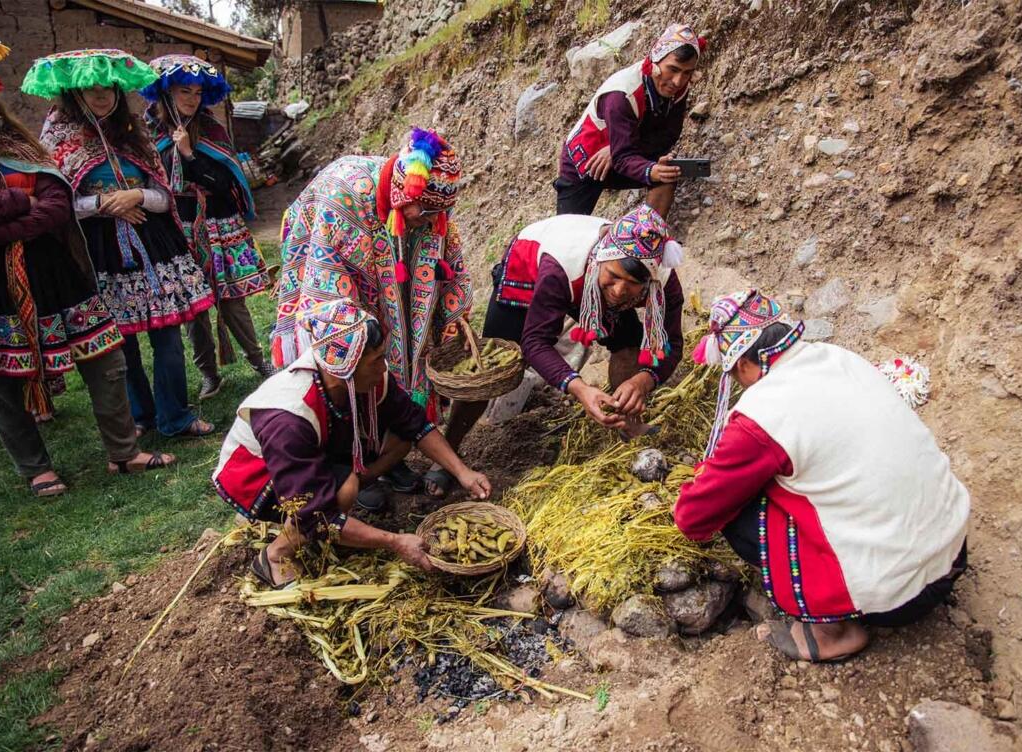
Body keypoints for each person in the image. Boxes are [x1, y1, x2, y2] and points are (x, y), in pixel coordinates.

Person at [673, 291, 970, 662]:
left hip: (900, 598)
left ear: (744, 364)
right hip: (954, 551)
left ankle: (830, 631)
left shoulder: (761, 416)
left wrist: (702, 477)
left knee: (741, 516)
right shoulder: (840, 358)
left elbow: (693, 517)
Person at [0, 54, 175, 497]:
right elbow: (43, 204)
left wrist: (12, 217)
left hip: (57, 271)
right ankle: (37, 469)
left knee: (106, 360)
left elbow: (57, 203)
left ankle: (123, 451)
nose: (102, 96)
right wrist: (22, 204)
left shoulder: (19, 148)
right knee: (2, 380)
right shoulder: (54, 137)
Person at [213, 299, 492, 587]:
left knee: (399, 439)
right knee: (336, 497)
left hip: (316, 452)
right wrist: (394, 541)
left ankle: (339, 515)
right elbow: (312, 511)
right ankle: (275, 554)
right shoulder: (289, 418)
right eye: (375, 361)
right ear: (342, 369)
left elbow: (415, 423)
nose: (383, 367)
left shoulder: (358, 380)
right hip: (257, 476)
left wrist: (462, 472)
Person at [24, 49, 216, 439]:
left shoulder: (135, 133)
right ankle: (140, 415)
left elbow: (163, 194)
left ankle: (175, 416)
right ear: (74, 94)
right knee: (120, 341)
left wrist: (137, 198)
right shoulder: (59, 141)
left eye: (108, 89)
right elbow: (58, 203)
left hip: (153, 243)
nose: (102, 97)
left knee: (168, 337)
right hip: (99, 251)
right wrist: (102, 204)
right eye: (92, 90)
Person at [273, 128, 469, 498]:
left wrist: (448, 312)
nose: (431, 221)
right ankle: (352, 458)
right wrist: (366, 328)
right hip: (335, 276)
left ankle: (387, 454)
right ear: (401, 194)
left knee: (402, 347)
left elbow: (445, 264)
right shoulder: (343, 195)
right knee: (357, 353)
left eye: (439, 214)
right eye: (424, 212)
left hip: (390, 273)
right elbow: (330, 303)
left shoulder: (427, 208)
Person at [440, 203, 685, 492]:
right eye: (614, 276)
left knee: (629, 344)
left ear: (649, 282)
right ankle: (447, 455)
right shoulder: (561, 267)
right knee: (490, 366)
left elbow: (672, 342)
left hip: (587, 282)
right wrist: (578, 388)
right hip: (529, 266)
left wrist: (644, 380)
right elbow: (534, 341)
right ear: (600, 261)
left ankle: (628, 423)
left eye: (632, 284)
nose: (619, 290)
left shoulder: (663, 282)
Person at [141, 55, 274, 400]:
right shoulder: (148, 135)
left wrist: (188, 154)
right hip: (178, 229)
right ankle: (208, 374)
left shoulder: (211, 130)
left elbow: (223, 181)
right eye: (185, 91)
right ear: (165, 93)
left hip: (217, 223)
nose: (192, 99)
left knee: (232, 301)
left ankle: (260, 362)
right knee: (194, 307)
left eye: (198, 92)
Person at [555, 23, 704, 218]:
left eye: (687, 73)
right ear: (655, 62)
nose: (677, 81)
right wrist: (641, 164)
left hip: (624, 155)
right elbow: (623, 156)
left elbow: (668, 135)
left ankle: (648, 238)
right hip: (585, 161)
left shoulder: (677, 89)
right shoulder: (621, 94)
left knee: (666, 175)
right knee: (568, 236)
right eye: (673, 69)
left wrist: (643, 163)